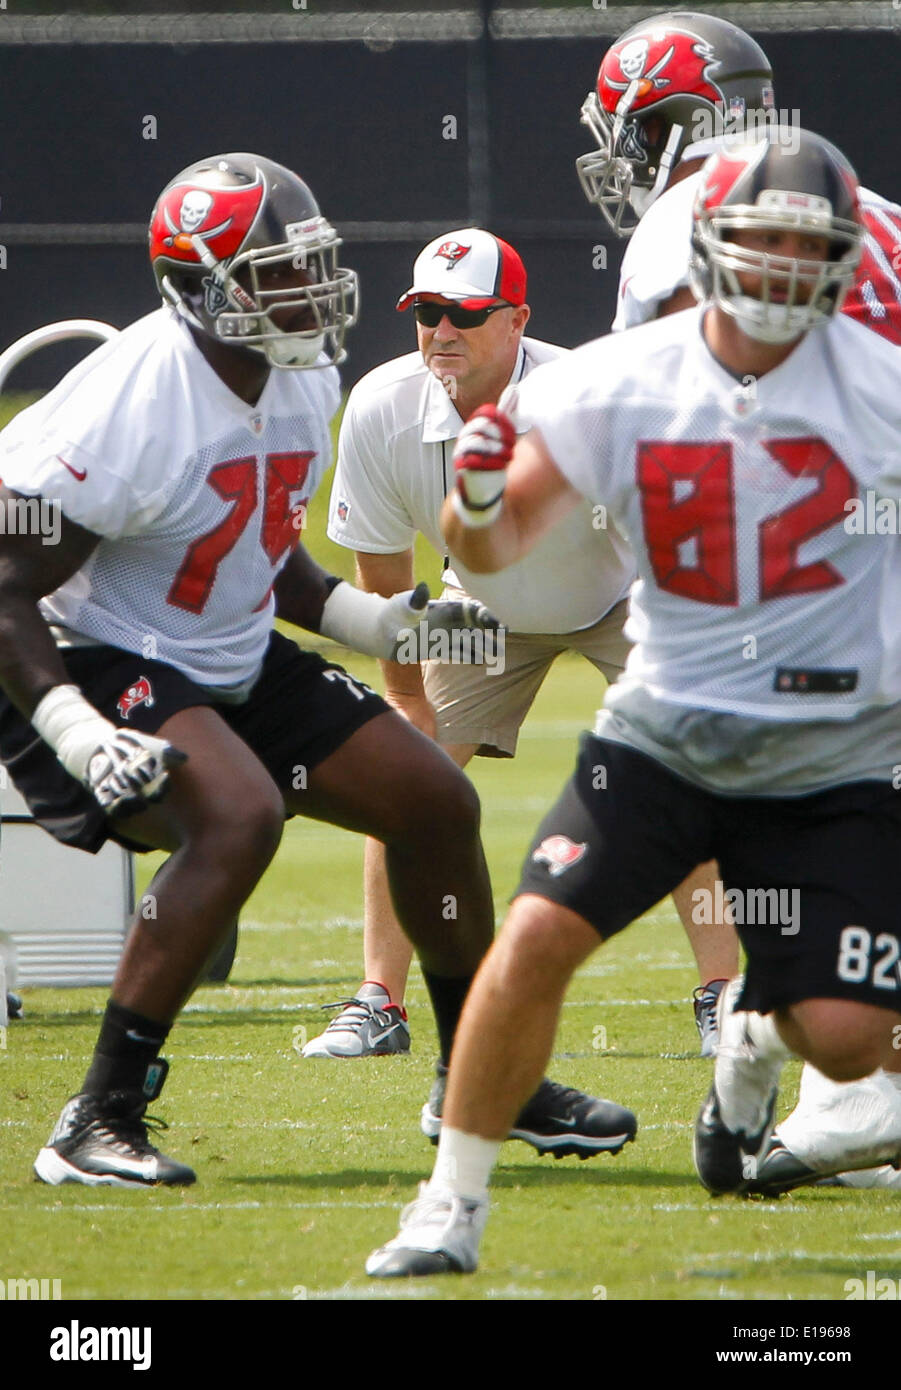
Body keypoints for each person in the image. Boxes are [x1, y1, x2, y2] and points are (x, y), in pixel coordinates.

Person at [0, 152, 628, 1187]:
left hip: (227, 653)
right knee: (239, 814)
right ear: (207, 290)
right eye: (280, 271)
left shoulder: (296, 373)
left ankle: (481, 1079)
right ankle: (95, 1116)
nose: (313, 289)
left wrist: (373, 622)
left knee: (434, 799)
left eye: (311, 263)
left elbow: (258, 550)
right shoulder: (131, 400)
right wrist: (73, 725)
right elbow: (10, 584)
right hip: (93, 660)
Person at [365, 129, 901, 1277]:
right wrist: (465, 502)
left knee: (850, 1041)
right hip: (665, 723)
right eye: (758, 242)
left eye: (805, 250)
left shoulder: (881, 388)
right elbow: (498, 536)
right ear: (706, 246)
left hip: (830, 749)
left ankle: (758, 1023)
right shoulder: (623, 378)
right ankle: (448, 1203)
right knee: (538, 932)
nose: (778, 271)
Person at [581, 9, 901, 1186]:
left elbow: (649, 413)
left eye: (631, 132)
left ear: (679, 120)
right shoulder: (868, 209)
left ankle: (791, 1058)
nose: (623, 164)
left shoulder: (686, 215)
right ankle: (808, 1068)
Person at [303, 228, 732, 1065]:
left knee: (679, 772)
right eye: (426, 312)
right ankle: (377, 1002)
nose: (441, 330)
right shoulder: (382, 407)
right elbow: (388, 582)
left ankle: (723, 995)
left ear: (518, 321)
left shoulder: (588, 393)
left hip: (620, 599)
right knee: (400, 771)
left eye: (465, 312)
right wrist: (407, 704)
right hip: (480, 604)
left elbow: (670, 526)